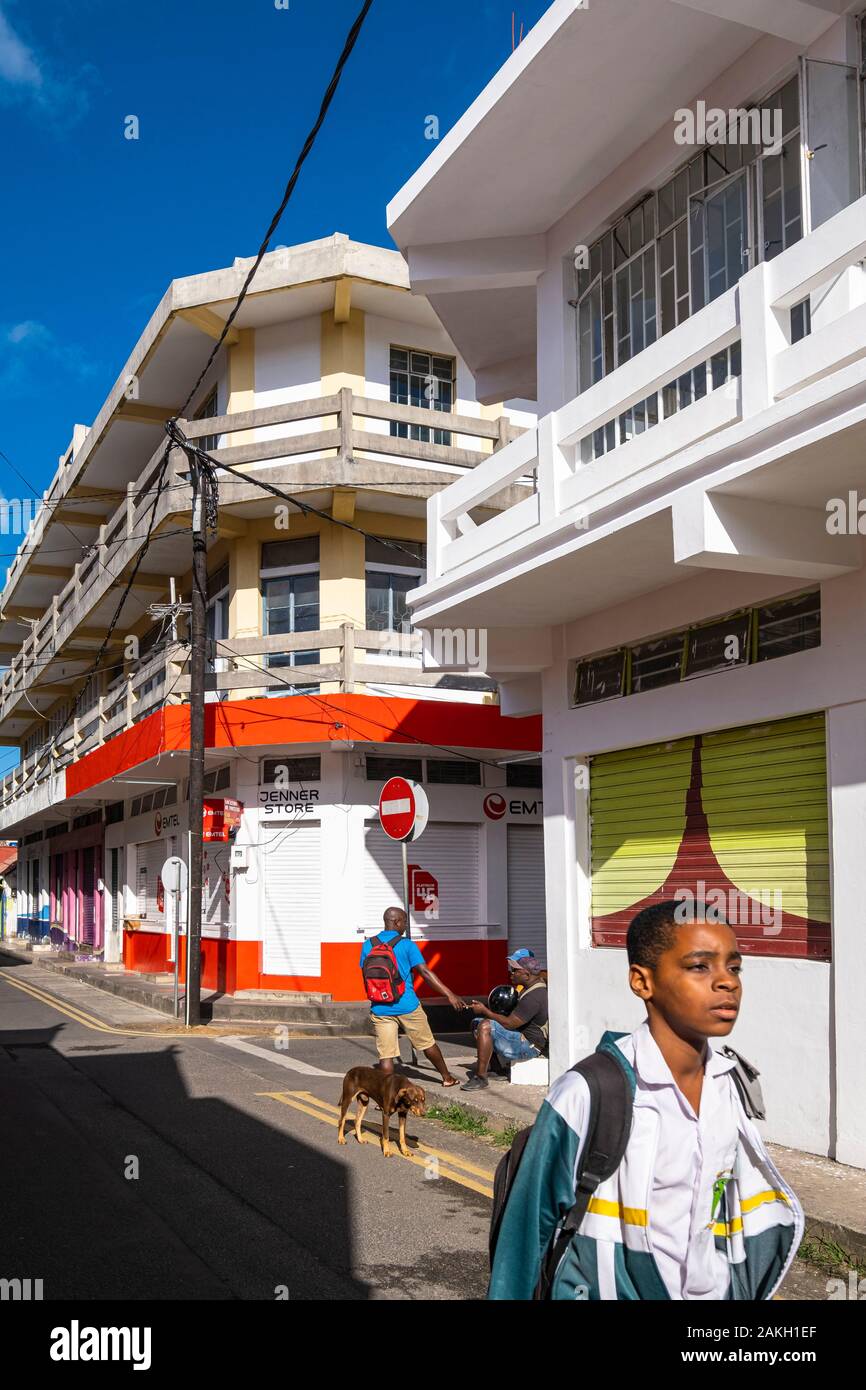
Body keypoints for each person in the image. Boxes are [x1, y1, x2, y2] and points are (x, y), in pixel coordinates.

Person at [488, 900, 804, 1300]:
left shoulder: (731, 1085)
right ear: (642, 981)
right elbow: (523, 1240)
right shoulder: (588, 1092)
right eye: (700, 966)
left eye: (734, 967)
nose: (728, 982)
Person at [360, 906, 464, 1087]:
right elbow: (425, 972)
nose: (406, 926)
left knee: (386, 1055)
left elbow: (366, 975)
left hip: (380, 1007)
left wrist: (376, 998)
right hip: (407, 1004)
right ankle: (447, 1078)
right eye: (405, 922)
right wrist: (450, 994)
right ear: (397, 921)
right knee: (427, 1043)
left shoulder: (367, 945)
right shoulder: (406, 945)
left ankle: (387, 1097)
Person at [462, 953, 548, 1091]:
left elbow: (510, 1023)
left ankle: (481, 1077)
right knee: (476, 1023)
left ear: (526, 974)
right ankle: (497, 1070)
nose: (511, 973)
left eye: (515, 971)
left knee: (485, 1026)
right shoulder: (529, 988)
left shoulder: (534, 996)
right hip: (521, 1037)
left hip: (529, 1047)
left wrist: (485, 1011)